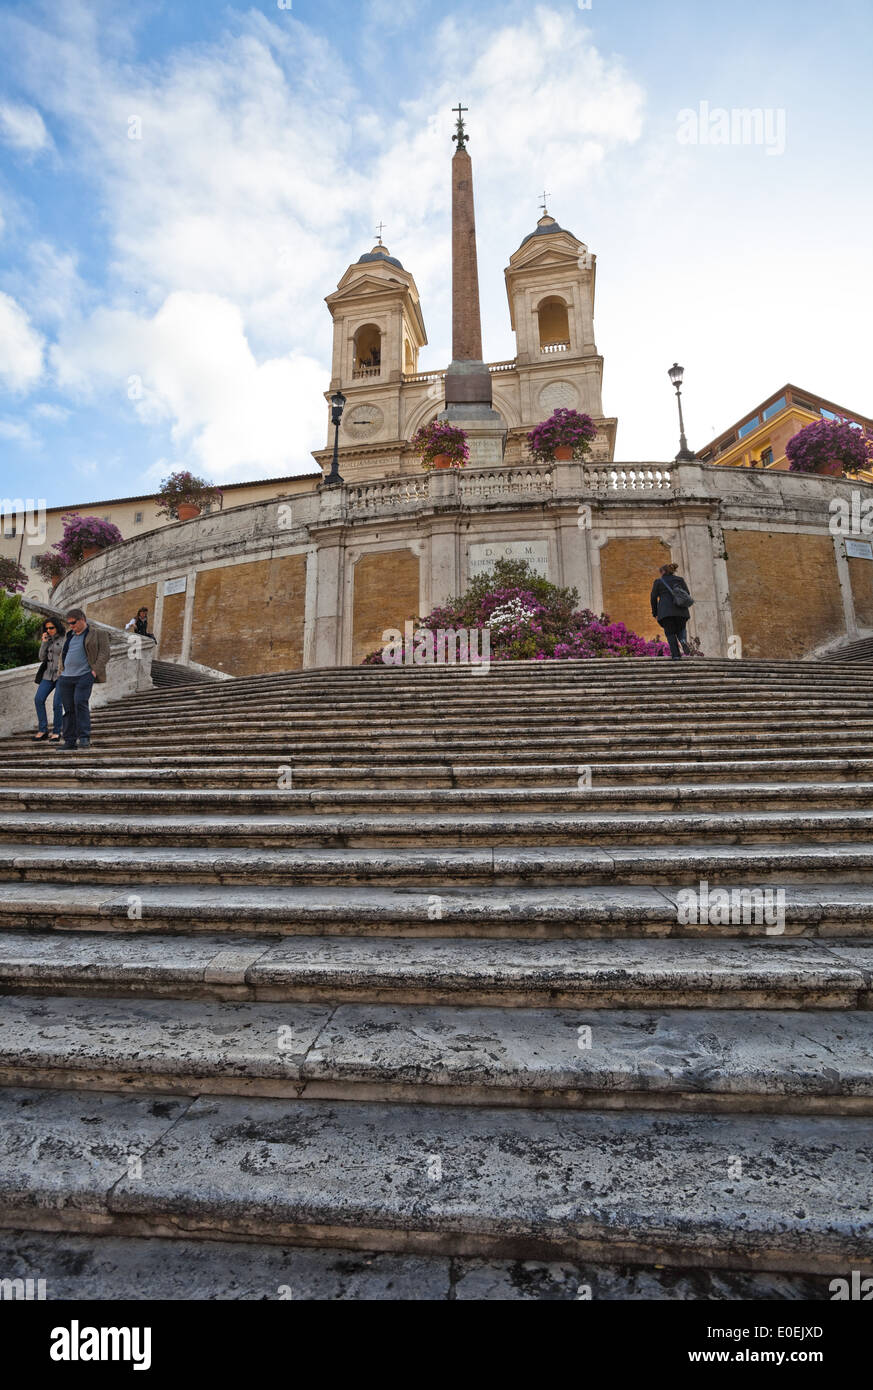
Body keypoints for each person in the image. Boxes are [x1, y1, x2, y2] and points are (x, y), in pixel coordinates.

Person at [54, 608, 111, 752]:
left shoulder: (98, 633)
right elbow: (63, 654)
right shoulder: (69, 635)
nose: (71, 626)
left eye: (73, 623)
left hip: (84, 675)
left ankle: (84, 737)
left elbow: (105, 653)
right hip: (66, 677)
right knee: (68, 709)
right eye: (69, 623)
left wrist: (94, 672)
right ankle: (69, 741)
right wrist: (61, 671)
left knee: (80, 703)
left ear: (82, 620)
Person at [32, 618, 66, 742]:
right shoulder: (48, 640)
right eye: (47, 628)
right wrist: (44, 642)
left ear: (57, 627)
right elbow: (41, 657)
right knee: (38, 699)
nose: (48, 630)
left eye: (51, 628)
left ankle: (57, 732)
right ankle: (43, 730)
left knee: (57, 703)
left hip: (62, 675)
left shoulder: (65, 639)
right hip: (47, 675)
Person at [651, 562, 692, 661]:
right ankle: (682, 640)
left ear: (663, 572)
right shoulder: (680, 580)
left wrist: (655, 612)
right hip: (681, 611)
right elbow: (687, 593)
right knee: (681, 628)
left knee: (670, 633)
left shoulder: (658, 582)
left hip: (666, 612)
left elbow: (653, 598)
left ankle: (676, 656)